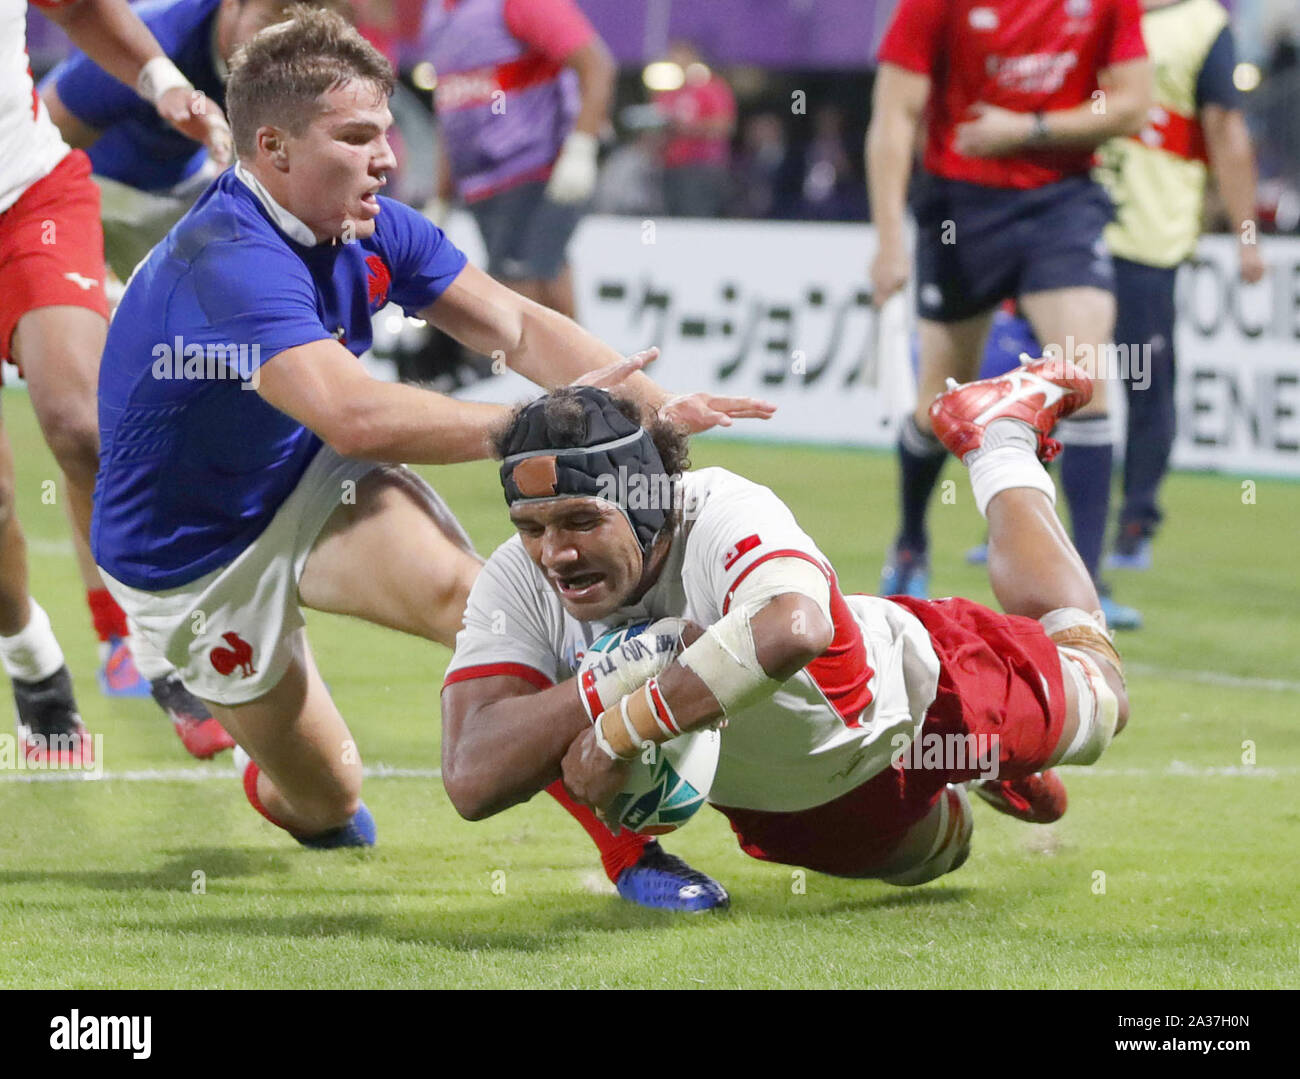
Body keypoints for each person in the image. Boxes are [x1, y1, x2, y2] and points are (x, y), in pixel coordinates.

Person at [93, 8, 770, 908]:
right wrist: (540, 429)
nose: (388, 157)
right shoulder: (223, 260)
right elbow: (358, 411)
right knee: (333, 802)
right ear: (273, 148)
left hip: (306, 477)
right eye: (357, 136)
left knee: (475, 603)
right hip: (190, 559)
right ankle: (285, 784)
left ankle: (626, 847)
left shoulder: (372, 221)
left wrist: (649, 410)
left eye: (386, 131)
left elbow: (518, 324)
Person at [439, 358, 1130, 890]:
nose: (554, 552)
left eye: (581, 520)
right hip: (790, 809)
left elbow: (795, 626)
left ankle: (1000, 435)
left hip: (923, 701)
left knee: (1101, 700)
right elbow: (472, 775)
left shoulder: (717, 508)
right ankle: (971, 775)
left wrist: (622, 727)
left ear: (648, 503)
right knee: (941, 856)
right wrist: (614, 678)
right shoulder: (518, 577)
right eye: (531, 527)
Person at [867, 0, 1154, 630]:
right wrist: (889, 237)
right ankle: (912, 539)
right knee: (939, 400)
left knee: (1084, 378)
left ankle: (1087, 580)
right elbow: (894, 116)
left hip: (1063, 202)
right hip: (958, 208)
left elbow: (1133, 102)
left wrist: (1028, 129)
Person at [1, 0, 231, 762]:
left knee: (85, 425)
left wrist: (161, 81)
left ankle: (158, 649)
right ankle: (33, 662)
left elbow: (79, 8)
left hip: (27, 192)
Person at [1094, 0, 1264, 570]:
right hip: (1069, 222)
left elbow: (1225, 130)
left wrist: (1245, 234)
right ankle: (1023, 517)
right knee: (1045, 372)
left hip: (1149, 237)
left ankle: (1136, 522)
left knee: (1144, 380)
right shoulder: (1094, 10)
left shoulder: (1203, 26)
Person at [421, 0, 615, 320]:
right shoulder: (438, 14)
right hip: (483, 183)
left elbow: (597, 65)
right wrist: (441, 197)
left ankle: (536, 367)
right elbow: (452, 107)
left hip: (536, 167)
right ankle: (575, 368)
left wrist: (581, 147)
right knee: (543, 276)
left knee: (518, 284)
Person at [654, 40, 737, 219]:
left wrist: (687, 128)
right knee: (673, 217)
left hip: (701, 166)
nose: (674, 61)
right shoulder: (667, 92)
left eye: (679, 56)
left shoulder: (711, 88)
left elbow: (724, 125)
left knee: (695, 218)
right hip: (671, 166)